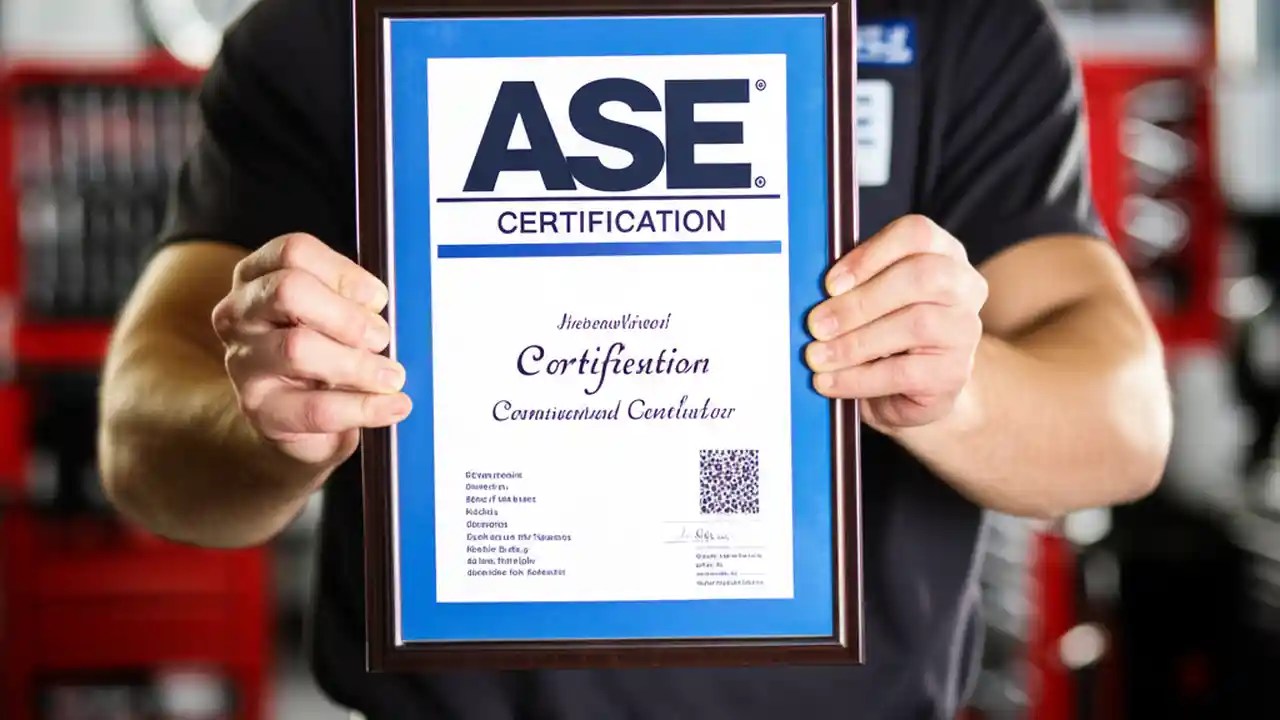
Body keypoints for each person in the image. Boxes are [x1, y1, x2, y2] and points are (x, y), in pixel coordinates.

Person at [97, 0, 1173, 717]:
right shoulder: (325, 31)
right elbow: (142, 442)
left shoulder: (954, 25)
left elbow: (1123, 425)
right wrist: (268, 421)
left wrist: (957, 385)